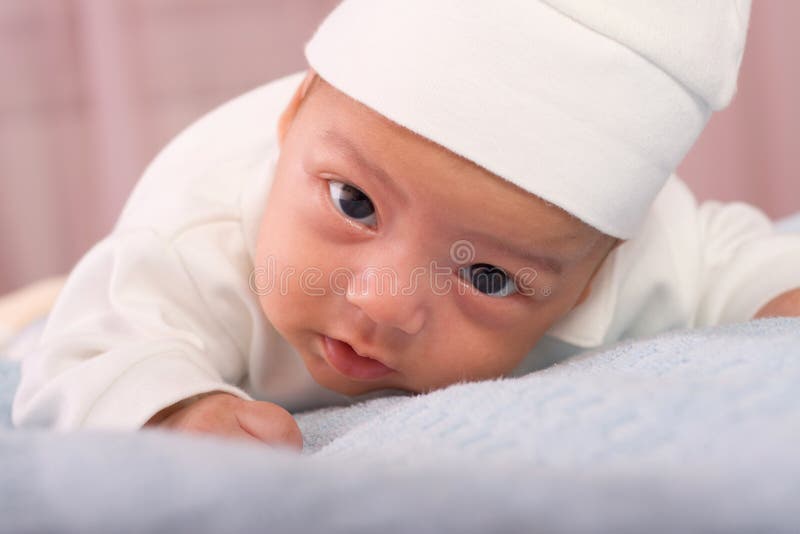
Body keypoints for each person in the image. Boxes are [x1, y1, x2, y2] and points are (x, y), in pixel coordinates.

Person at [12, 0, 800, 449]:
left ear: (592, 278)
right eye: (354, 204)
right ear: (293, 116)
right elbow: (94, 345)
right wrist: (176, 411)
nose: (385, 301)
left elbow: (738, 261)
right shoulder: (200, 237)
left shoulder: (633, 251)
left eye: (486, 277)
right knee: (44, 312)